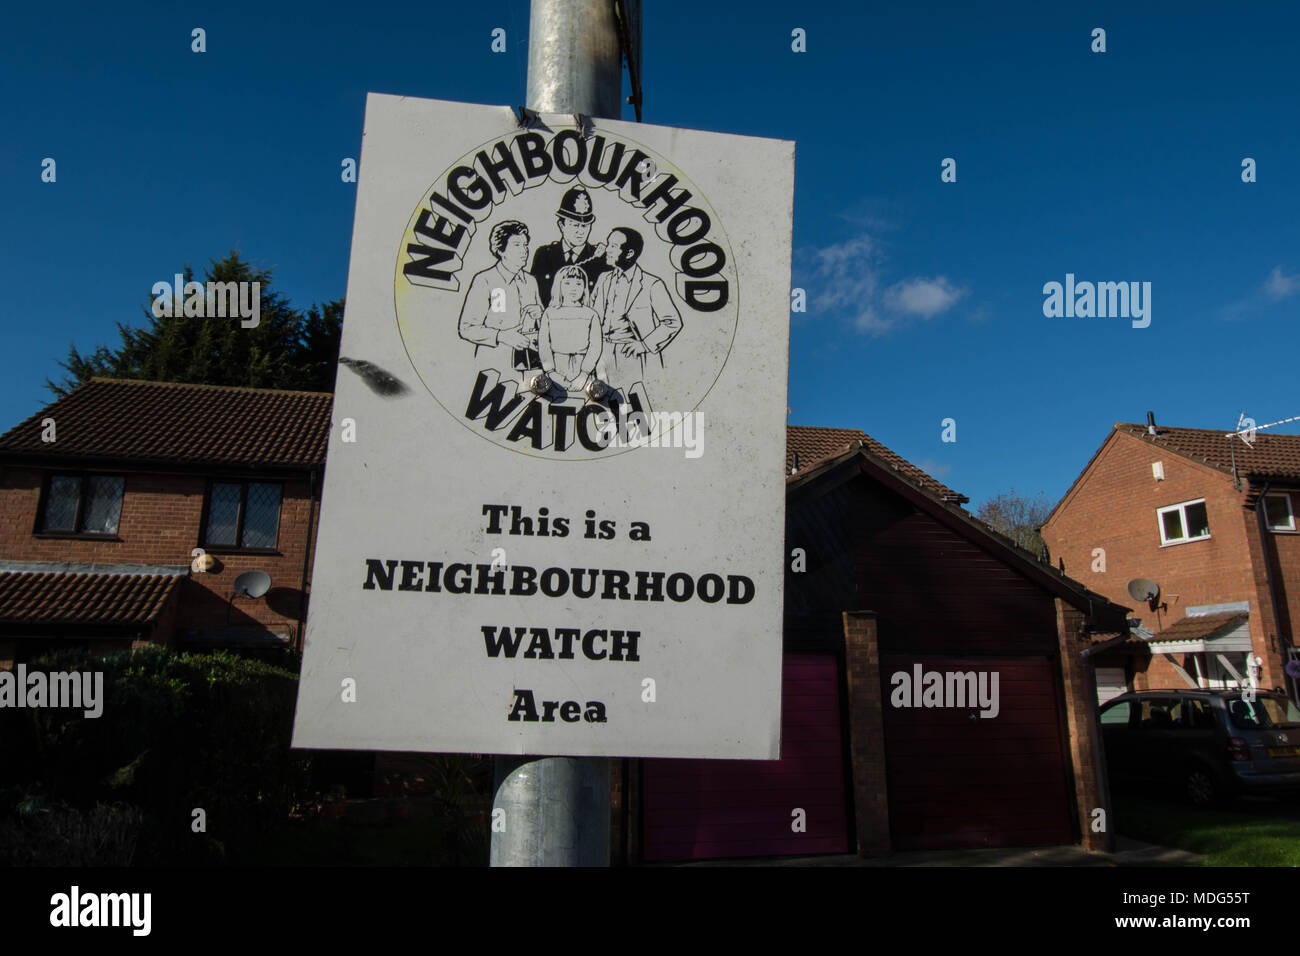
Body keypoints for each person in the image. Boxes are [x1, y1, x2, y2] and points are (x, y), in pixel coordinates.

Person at [589, 227, 682, 387]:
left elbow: (672, 322)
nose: (607, 250)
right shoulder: (603, 279)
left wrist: (644, 344)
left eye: (613, 246)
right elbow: (590, 314)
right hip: (601, 354)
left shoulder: (652, 284)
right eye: (608, 244)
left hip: (634, 358)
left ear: (629, 253)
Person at [458, 220, 543, 374]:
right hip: (494, 367)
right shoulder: (485, 280)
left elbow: (542, 328)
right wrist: (502, 336)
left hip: (529, 368)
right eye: (517, 245)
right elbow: (467, 328)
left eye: (525, 245)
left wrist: (541, 316)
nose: (524, 251)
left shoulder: (531, 281)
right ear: (501, 250)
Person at [528, 186, 608, 307]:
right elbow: (532, 295)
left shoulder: (600, 258)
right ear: (561, 225)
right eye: (575, 225)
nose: (580, 232)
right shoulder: (544, 255)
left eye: (585, 226)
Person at [538, 265, 603, 393]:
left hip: (583, 368)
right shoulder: (549, 313)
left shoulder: (591, 314)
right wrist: (551, 372)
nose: (573, 288)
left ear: (584, 288)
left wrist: (584, 374)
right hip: (557, 367)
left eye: (578, 284)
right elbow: (544, 344)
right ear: (559, 286)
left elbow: (595, 346)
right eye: (567, 283)